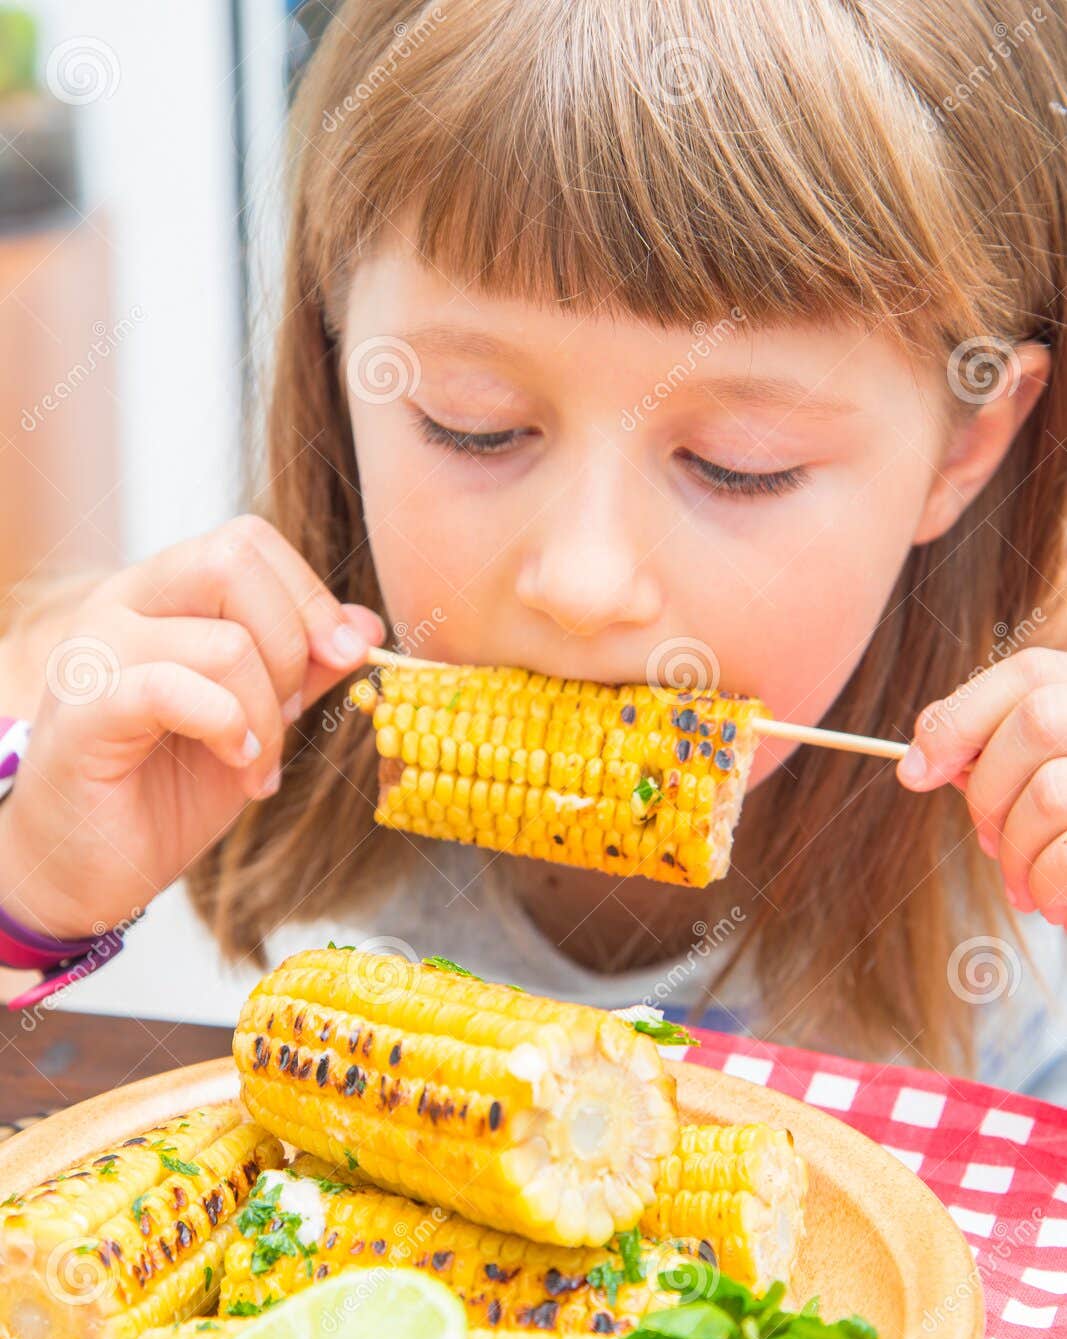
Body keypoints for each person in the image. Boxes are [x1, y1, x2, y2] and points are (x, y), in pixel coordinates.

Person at [2, 0, 1067, 1098]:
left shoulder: (1019, 880)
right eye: (476, 425)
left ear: (964, 441)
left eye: (738, 462)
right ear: (339, 354)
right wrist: (30, 895)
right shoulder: (154, 739)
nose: (582, 581)